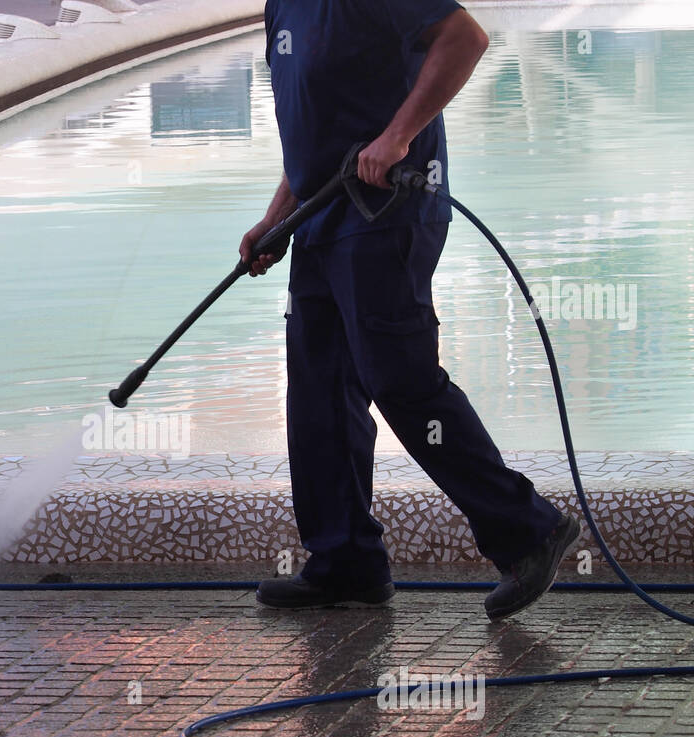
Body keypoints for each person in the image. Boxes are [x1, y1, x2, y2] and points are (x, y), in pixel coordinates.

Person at [246, 0, 580, 619]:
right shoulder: (282, 7)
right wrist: (277, 217)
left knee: (399, 380)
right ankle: (343, 563)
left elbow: (464, 38)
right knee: (319, 392)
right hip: (321, 220)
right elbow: (314, 125)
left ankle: (529, 531)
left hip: (384, 215)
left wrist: (398, 136)